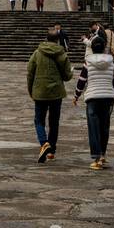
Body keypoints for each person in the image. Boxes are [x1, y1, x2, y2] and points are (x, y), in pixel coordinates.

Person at [26, 23, 73, 163]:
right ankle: (51, 151)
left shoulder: (37, 53)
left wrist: (31, 90)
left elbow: (30, 73)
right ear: (58, 40)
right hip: (56, 93)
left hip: (40, 91)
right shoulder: (62, 54)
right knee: (54, 122)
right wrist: (71, 73)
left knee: (39, 120)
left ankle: (43, 142)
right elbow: (66, 76)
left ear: (46, 39)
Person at [73, 33, 114, 169]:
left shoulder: (88, 63)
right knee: (104, 127)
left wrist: (76, 96)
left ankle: (96, 158)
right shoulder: (111, 63)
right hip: (108, 97)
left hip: (92, 97)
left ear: (91, 48)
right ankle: (103, 155)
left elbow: (82, 80)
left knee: (93, 128)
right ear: (104, 47)